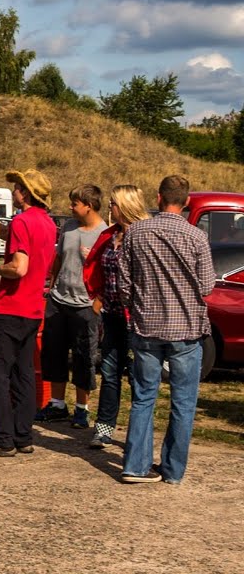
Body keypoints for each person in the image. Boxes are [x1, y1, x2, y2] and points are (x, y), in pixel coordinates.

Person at [118, 175, 214, 484]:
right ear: (186, 202)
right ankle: (172, 470)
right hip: (186, 328)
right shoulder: (196, 236)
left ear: (158, 198)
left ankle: (135, 465)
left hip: (147, 327)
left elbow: (124, 285)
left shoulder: (135, 233)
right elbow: (207, 285)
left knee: (144, 397)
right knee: (183, 403)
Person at [0, 169, 58, 456]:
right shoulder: (47, 224)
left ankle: (1, 438)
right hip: (32, 309)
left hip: (9, 307)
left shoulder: (22, 221)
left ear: (26, 193)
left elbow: (19, 267)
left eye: (17, 187)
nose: (13, 191)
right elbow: (7, 233)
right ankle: (23, 435)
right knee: (24, 374)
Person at [82, 184, 149, 449]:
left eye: (113, 203)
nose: (109, 207)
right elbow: (98, 268)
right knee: (109, 373)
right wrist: (97, 297)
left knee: (137, 376)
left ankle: (137, 435)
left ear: (125, 205)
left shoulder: (143, 236)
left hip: (136, 317)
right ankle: (104, 429)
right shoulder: (111, 236)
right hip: (111, 314)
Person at [37, 185, 106, 428]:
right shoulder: (68, 227)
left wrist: (95, 305)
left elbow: (107, 272)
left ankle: (81, 410)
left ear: (89, 205)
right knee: (53, 354)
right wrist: (50, 287)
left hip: (84, 306)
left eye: (74, 203)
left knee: (83, 358)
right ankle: (57, 405)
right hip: (58, 301)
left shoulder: (104, 233)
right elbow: (59, 259)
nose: (70, 207)